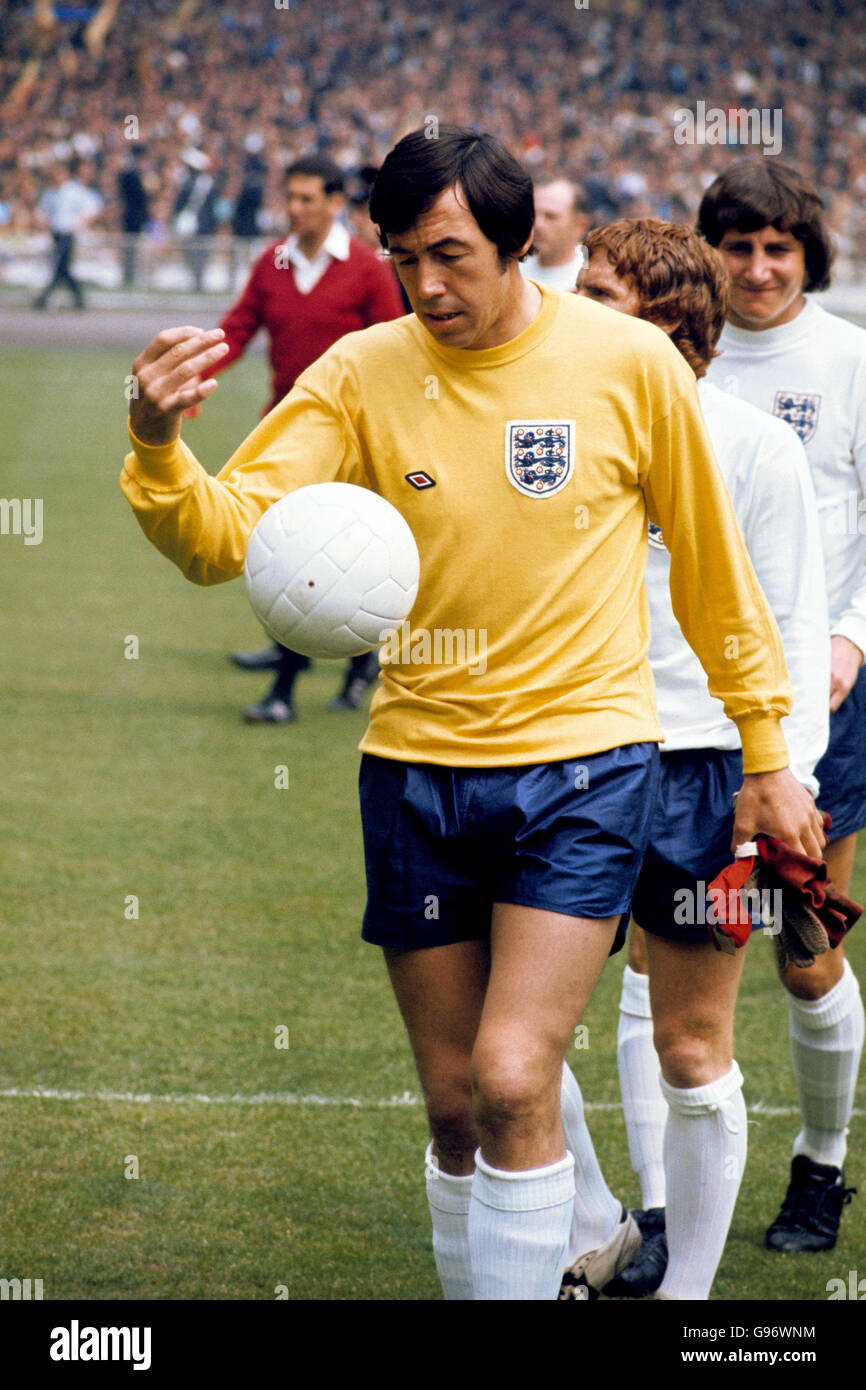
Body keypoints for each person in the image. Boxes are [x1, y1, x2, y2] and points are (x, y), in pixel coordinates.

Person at [120, 126, 824, 1301]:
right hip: (412, 772)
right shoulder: (359, 373)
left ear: (516, 243)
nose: (424, 285)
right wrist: (155, 444)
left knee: (509, 1077)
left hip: (584, 767)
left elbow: (712, 578)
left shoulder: (625, 365)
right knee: (453, 1111)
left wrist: (765, 752)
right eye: (402, 258)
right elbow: (225, 537)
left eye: (447, 254)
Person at [576, 218, 831, 1298]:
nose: (567, 311)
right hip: (565, 765)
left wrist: (782, 784)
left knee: (691, 1051)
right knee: (511, 1037)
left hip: (702, 784)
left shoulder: (755, 449)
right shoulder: (547, 433)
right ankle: (593, 1226)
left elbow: (791, 624)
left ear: (671, 326)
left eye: (597, 296)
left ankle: (684, 1297)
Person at [698, 162, 865, 1256]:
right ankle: (671, 1212)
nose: (756, 270)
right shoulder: (673, 355)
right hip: (683, 702)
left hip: (821, 695)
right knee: (678, 951)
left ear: (807, 254)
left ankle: (819, 1164)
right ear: (708, 247)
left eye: (778, 249)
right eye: (738, 246)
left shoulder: (849, 359)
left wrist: (850, 636)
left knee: (800, 946)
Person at [204, 154, 405, 723]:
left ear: (336, 202)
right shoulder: (273, 263)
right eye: (289, 198)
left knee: (323, 555)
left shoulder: (367, 268)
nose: (294, 209)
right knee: (288, 550)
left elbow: (395, 346)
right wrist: (195, 378)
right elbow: (239, 326)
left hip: (353, 439)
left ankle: (285, 691)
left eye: (307, 198)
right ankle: (345, 659)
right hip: (286, 432)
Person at [33, 158, 102, 310]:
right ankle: (79, 299)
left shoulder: (74, 191)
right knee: (63, 269)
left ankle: (43, 298)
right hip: (56, 233)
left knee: (59, 265)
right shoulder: (51, 192)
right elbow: (42, 212)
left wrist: (79, 225)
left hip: (67, 233)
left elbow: (92, 209)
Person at [521, 179, 589, 292]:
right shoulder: (515, 271)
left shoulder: (591, 278)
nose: (537, 225)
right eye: (534, 214)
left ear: (580, 225)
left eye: (551, 216)